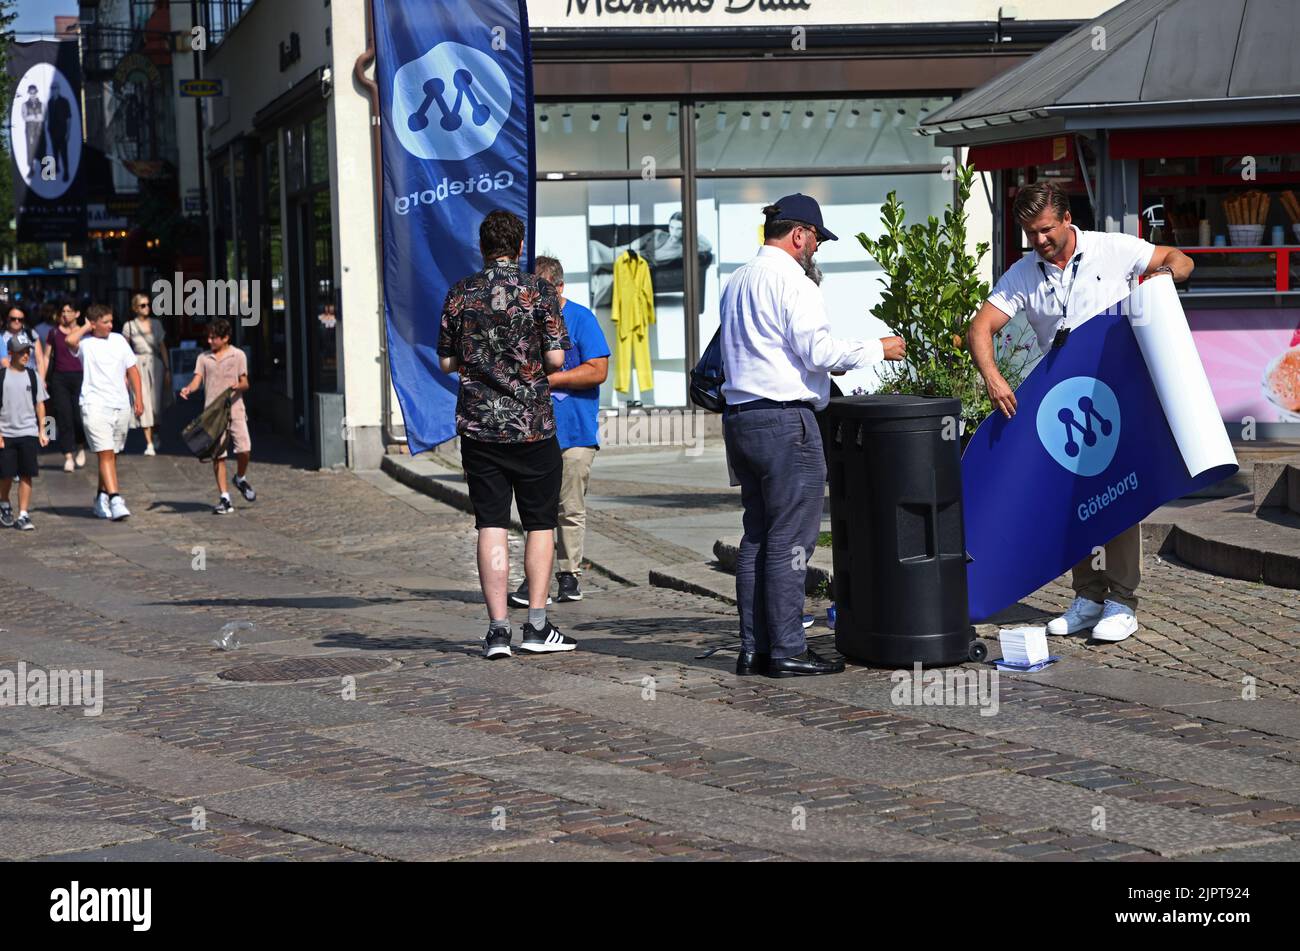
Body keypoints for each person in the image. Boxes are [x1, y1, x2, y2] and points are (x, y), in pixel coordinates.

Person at [968, 180, 1194, 643]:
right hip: (1064, 400)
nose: (1039, 241)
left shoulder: (1113, 249)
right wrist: (993, 377)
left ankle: (1122, 601)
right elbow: (980, 328)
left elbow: (1180, 259)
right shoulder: (1024, 272)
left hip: (1118, 391)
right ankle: (1088, 596)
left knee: (1118, 492)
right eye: (1030, 233)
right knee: (1073, 494)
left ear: (1067, 219)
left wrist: (1164, 278)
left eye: (1046, 230)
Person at [721, 193, 906, 678]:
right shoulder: (793, 282)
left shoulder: (738, 279)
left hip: (740, 417)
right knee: (790, 540)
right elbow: (819, 352)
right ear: (799, 234)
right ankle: (786, 649)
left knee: (757, 536)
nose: (816, 251)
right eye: (817, 240)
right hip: (786, 422)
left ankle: (753, 648)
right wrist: (878, 348)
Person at [438, 210, 577, 660]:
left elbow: (445, 362)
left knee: (491, 525)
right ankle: (536, 625)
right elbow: (556, 360)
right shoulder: (538, 291)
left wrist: (479, 364)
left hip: (481, 428)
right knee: (540, 524)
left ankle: (498, 630)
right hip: (532, 426)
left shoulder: (461, 293)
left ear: (482, 248)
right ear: (519, 248)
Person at [507, 256, 609, 608]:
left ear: (559, 288)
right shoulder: (524, 321)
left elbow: (598, 370)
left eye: (541, 290)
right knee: (536, 509)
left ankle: (569, 574)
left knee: (570, 507)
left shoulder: (581, 319)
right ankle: (535, 580)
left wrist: (552, 379)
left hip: (575, 431)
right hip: (533, 431)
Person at [62, 304, 144, 521]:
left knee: (112, 454)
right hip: (94, 404)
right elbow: (69, 341)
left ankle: (101, 497)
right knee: (105, 453)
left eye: (111, 321)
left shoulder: (118, 340)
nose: (110, 325)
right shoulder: (85, 344)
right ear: (94, 323)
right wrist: (86, 327)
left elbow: (132, 370)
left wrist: (139, 399)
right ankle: (116, 499)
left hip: (120, 404)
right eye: (106, 321)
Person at [179, 319, 255, 514]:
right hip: (212, 414)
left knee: (244, 449)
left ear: (226, 338)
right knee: (218, 455)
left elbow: (245, 382)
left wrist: (239, 386)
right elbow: (198, 380)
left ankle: (240, 477)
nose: (210, 340)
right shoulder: (204, 358)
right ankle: (224, 498)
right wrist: (189, 388)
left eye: (214, 337)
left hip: (235, 409)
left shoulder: (238, 355)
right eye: (209, 336)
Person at [0, 333, 50, 531]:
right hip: (7, 433)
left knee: (26, 474)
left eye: (27, 351)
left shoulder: (33, 375)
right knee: (5, 475)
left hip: (28, 432)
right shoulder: (2, 377)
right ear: (11, 353)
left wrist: (44, 431)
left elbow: (41, 405)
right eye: (21, 352)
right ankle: (4, 502)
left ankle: (23, 514)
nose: (25, 355)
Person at [123, 292, 171, 455]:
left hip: (155, 365)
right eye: (143, 305)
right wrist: (125, 374)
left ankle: (155, 433)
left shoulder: (156, 324)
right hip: (137, 365)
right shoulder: (129, 326)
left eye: (148, 304)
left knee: (156, 406)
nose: (147, 308)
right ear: (135, 308)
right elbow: (125, 350)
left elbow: (162, 346)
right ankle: (149, 443)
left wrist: (167, 369)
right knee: (142, 401)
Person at [45, 300, 88, 472]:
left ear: (77, 314)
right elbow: (47, 357)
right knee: (63, 416)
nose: (65, 314)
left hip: (80, 377)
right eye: (63, 311)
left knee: (78, 417)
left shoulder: (84, 333)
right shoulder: (54, 332)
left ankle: (80, 445)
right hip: (59, 378)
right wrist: (42, 378)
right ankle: (68, 455)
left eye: (69, 311)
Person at [3, 304, 48, 378]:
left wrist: (42, 381)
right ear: (7, 318)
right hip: (6, 379)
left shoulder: (31, 334)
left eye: (20, 319)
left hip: (30, 379)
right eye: (13, 318)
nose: (17, 321)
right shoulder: (1, 336)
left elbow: (40, 360)